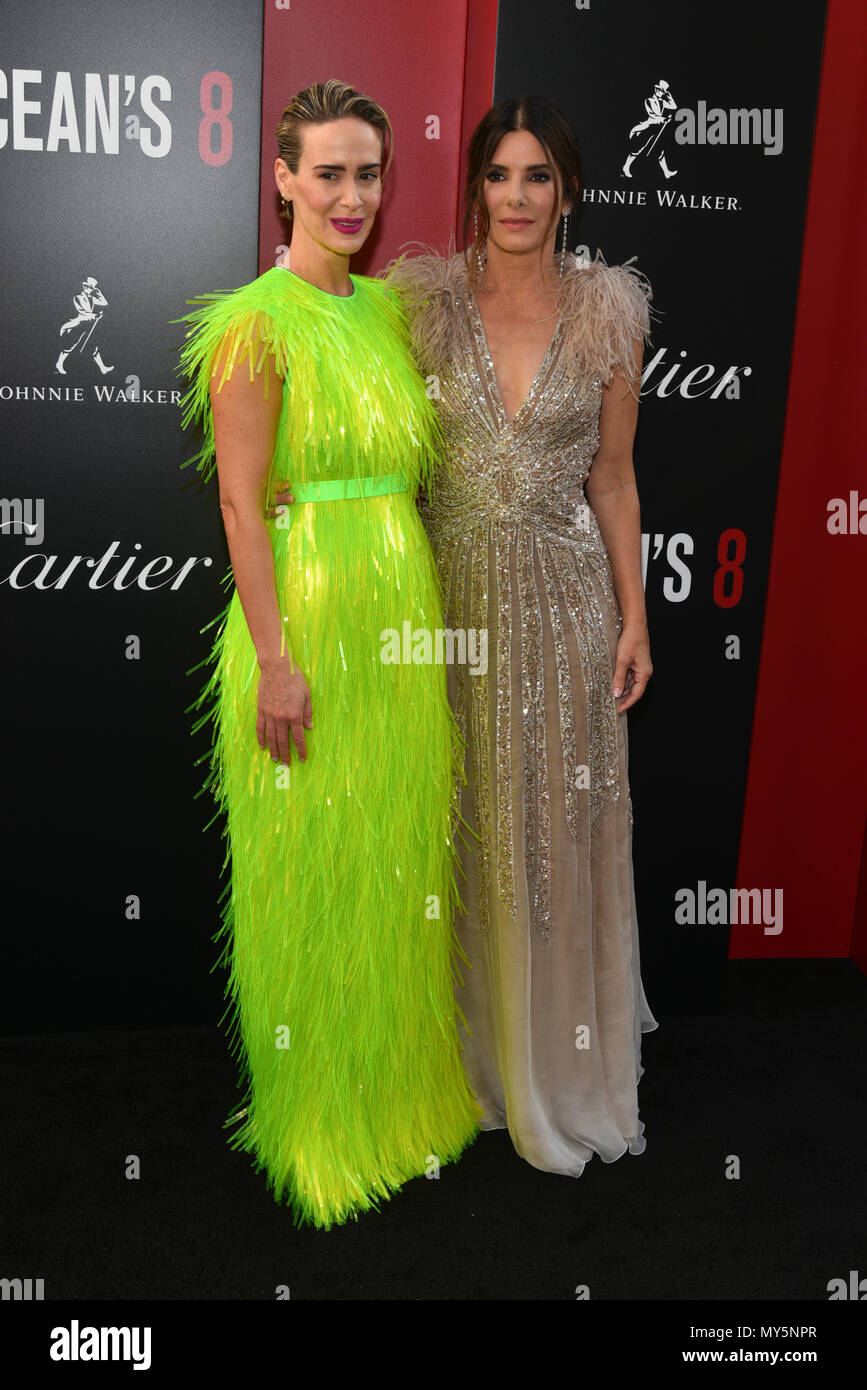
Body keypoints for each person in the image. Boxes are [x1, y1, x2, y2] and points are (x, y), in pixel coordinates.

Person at [175, 79, 480, 1230]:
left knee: (398, 866)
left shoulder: (383, 314)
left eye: (369, 174)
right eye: (330, 173)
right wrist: (277, 658)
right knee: (312, 877)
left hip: (395, 609)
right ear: (284, 180)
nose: (352, 196)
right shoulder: (254, 322)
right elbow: (245, 509)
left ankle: (399, 1104)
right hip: (304, 620)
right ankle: (320, 1124)